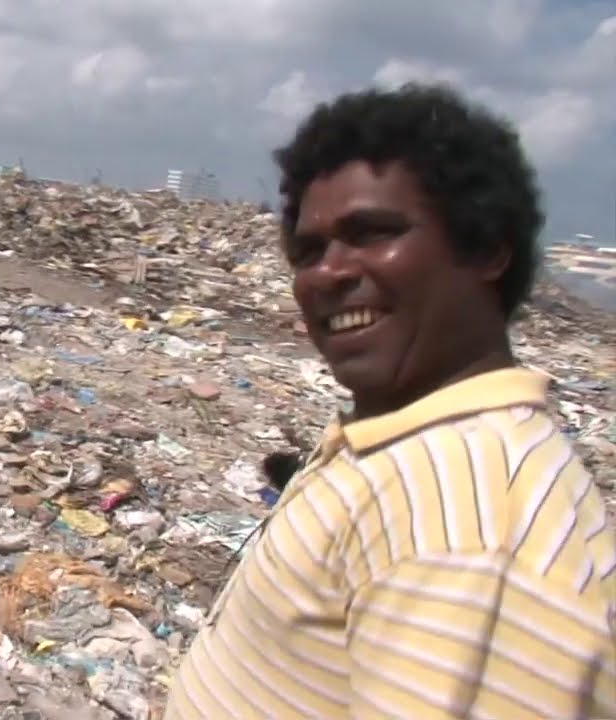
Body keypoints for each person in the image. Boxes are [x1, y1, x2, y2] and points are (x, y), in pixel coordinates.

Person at [165, 83, 615, 719]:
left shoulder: (475, 529)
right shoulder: (406, 445)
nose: (328, 272)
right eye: (309, 250)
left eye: (373, 233)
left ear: (487, 248)